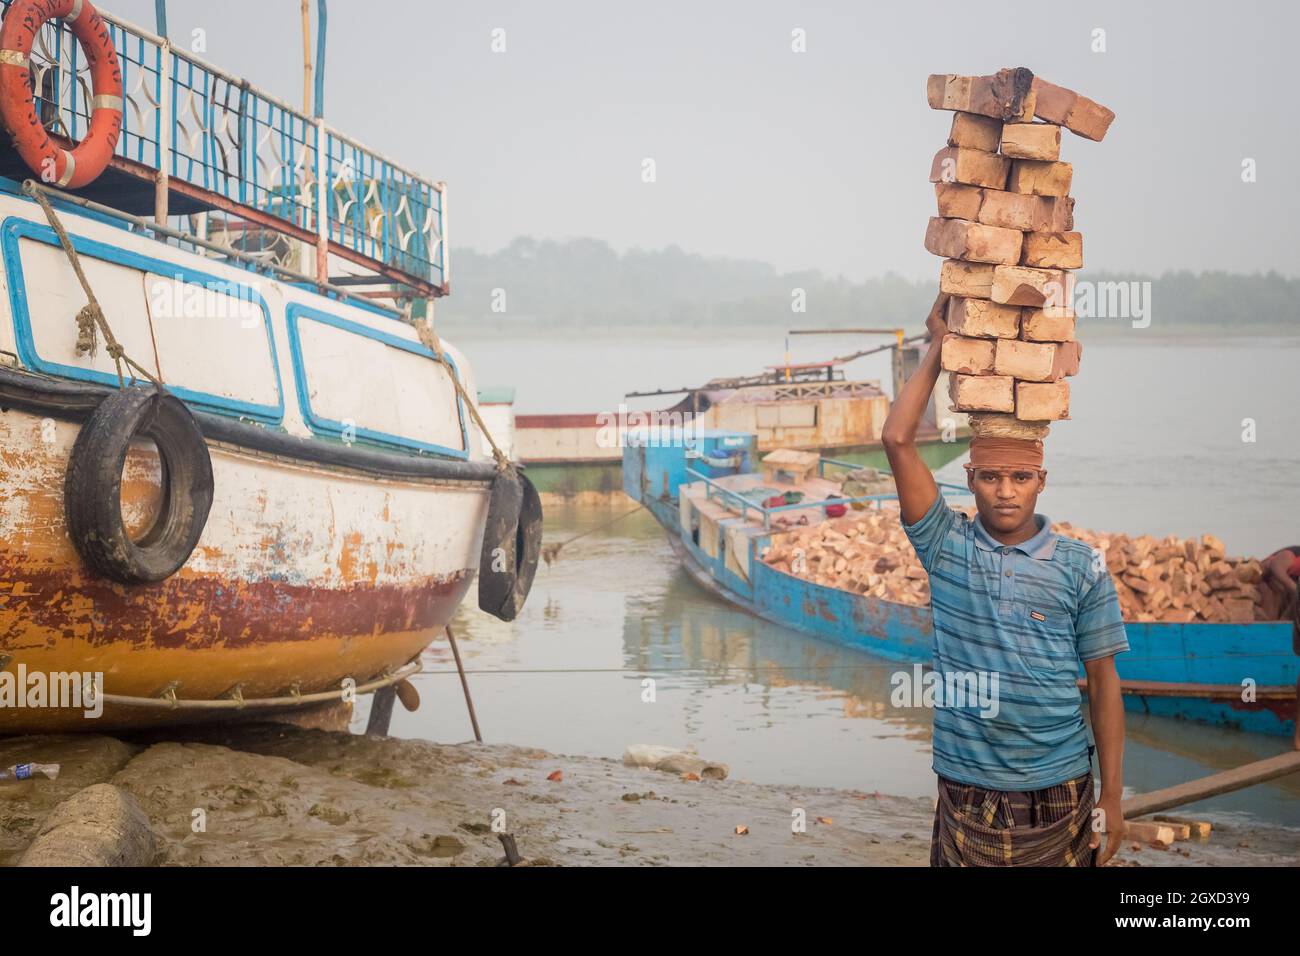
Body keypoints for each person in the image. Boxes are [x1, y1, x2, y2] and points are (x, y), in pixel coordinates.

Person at [881, 292, 1129, 867]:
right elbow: (897, 439)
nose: (1006, 491)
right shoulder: (946, 545)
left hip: (1061, 784)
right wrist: (940, 345)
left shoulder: (1081, 565)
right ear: (970, 480)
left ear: (1042, 480)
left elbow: (1104, 683)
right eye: (991, 477)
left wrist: (1113, 798)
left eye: (1020, 477)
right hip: (968, 786)